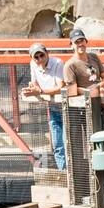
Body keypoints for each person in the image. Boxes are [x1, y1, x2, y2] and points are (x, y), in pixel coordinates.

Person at [28, 41, 67, 169]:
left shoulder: (57, 63)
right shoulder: (33, 65)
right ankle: (63, 171)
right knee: (57, 143)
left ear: (47, 54)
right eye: (36, 57)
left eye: (41, 55)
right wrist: (31, 89)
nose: (39, 59)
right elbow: (34, 83)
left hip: (66, 107)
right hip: (52, 107)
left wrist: (39, 91)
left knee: (68, 142)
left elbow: (60, 86)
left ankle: (72, 173)